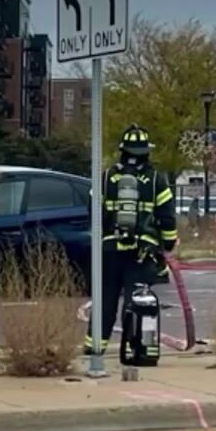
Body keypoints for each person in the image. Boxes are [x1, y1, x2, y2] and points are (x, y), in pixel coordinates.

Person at [85, 124, 179, 357]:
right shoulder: (156, 180)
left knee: (105, 300)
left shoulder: (106, 177)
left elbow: (92, 211)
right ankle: (134, 349)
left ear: (122, 150)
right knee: (135, 301)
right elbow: (167, 219)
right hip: (141, 253)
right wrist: (167, 246)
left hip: (109, 251)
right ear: (147, 151)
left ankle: (95, 347)